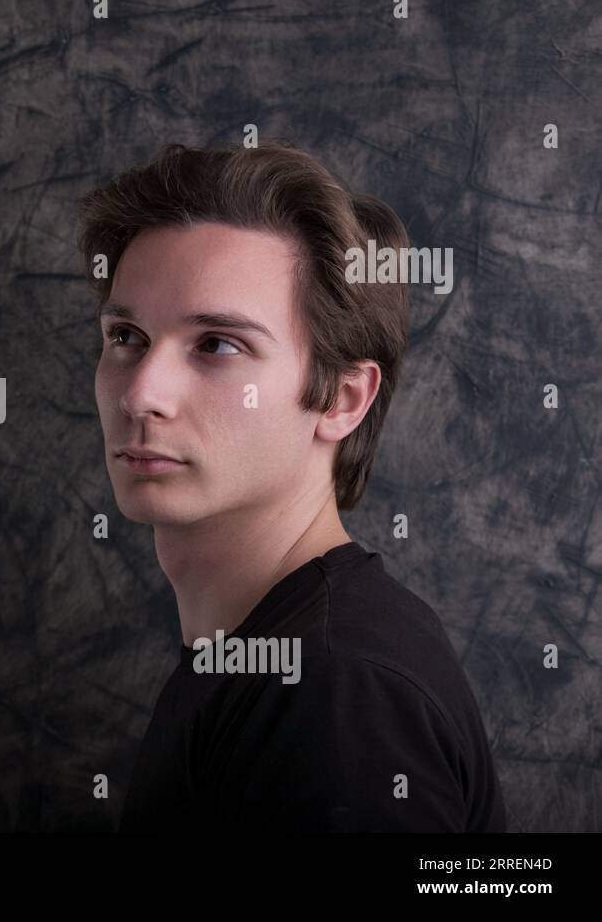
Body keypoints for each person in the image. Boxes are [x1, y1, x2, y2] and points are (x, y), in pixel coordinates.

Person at [78, 141, 506, 831]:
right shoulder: (268, 657)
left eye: (217, 344)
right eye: (126, 334)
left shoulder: (333, 690)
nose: (142, 393)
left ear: (341, 398)